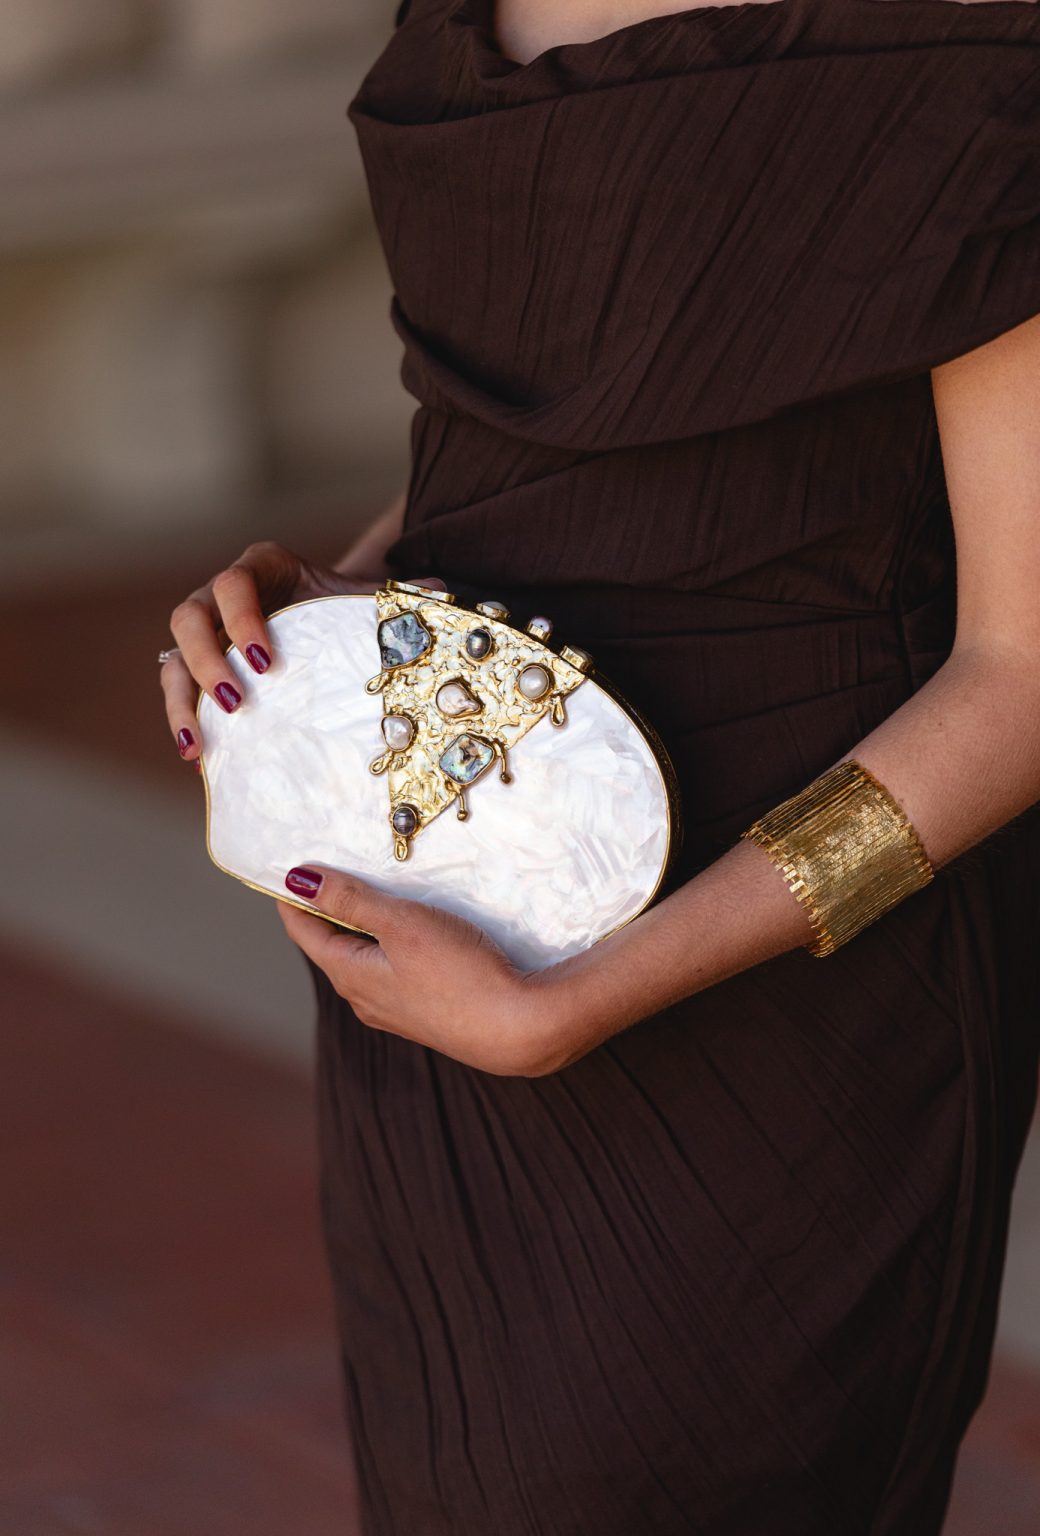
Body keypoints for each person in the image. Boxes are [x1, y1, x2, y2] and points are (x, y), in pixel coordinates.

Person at [159, 0, 1040, 1530]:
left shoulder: (969, 39)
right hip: (453, 920)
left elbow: (1022, 671)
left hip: (777, 959)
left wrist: (578, 1004)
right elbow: (522, 442)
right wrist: (327, 619)